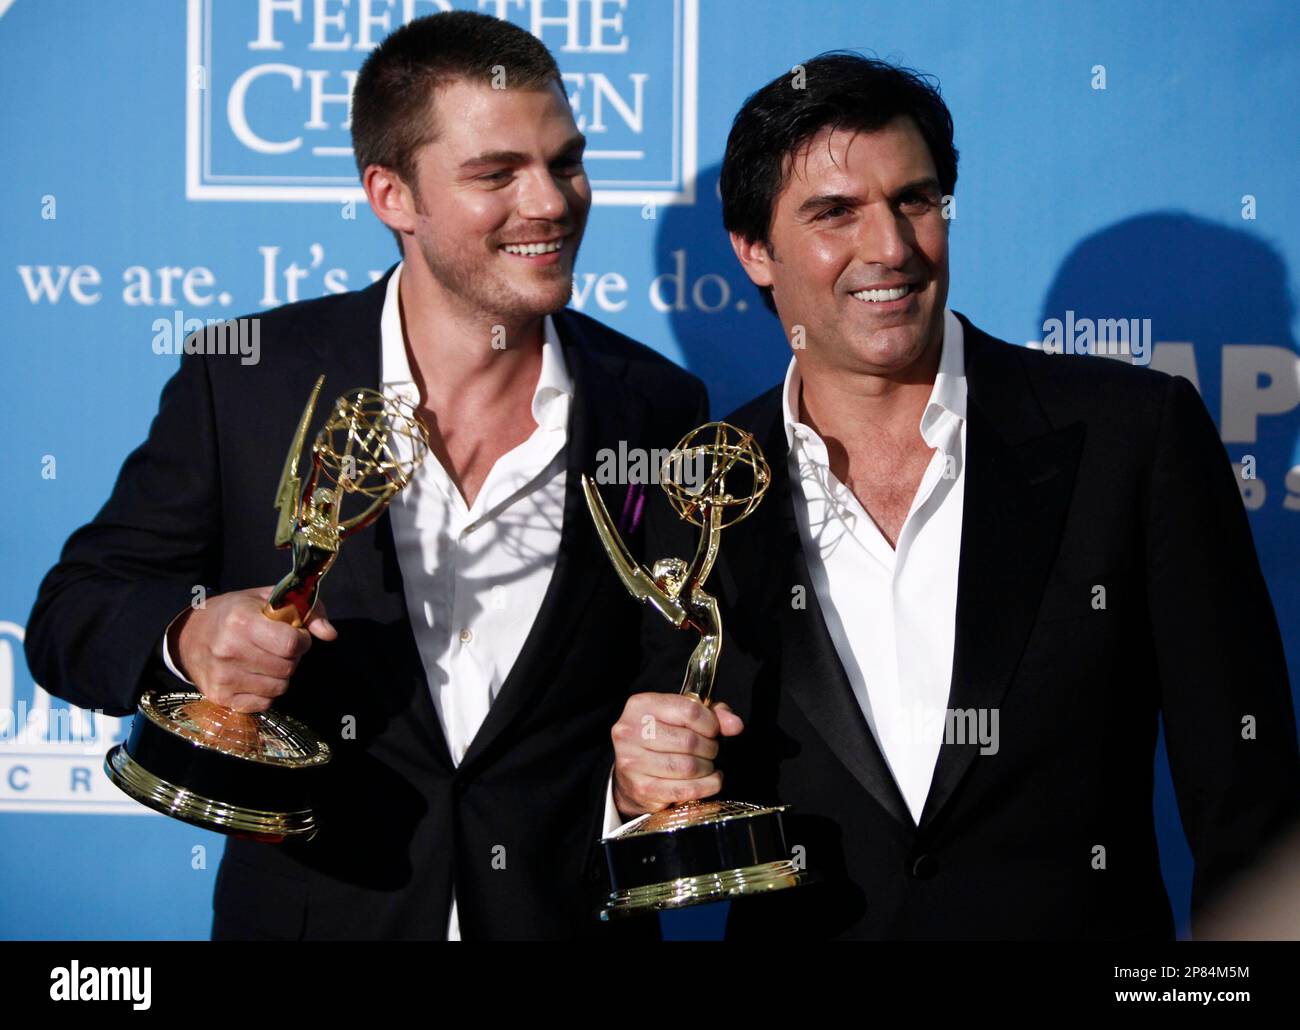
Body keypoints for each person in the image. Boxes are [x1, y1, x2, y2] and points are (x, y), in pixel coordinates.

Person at [26, 11, 704, 940]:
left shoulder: (656, 406)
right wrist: (189, 635)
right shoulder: (250, 375)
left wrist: (647, 777)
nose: (550, 202)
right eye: (496, 173)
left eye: (566, 162)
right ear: (392, 194)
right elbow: (71, 613)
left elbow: (669, 685)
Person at [609, 52, 1299, 939]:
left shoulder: (1133, 435)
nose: (891, 247)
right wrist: (640, 783)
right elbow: (666, 767)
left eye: (916, 200)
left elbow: (1250, 802)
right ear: (754, 252)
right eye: (835, 213)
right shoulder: (694, 487)